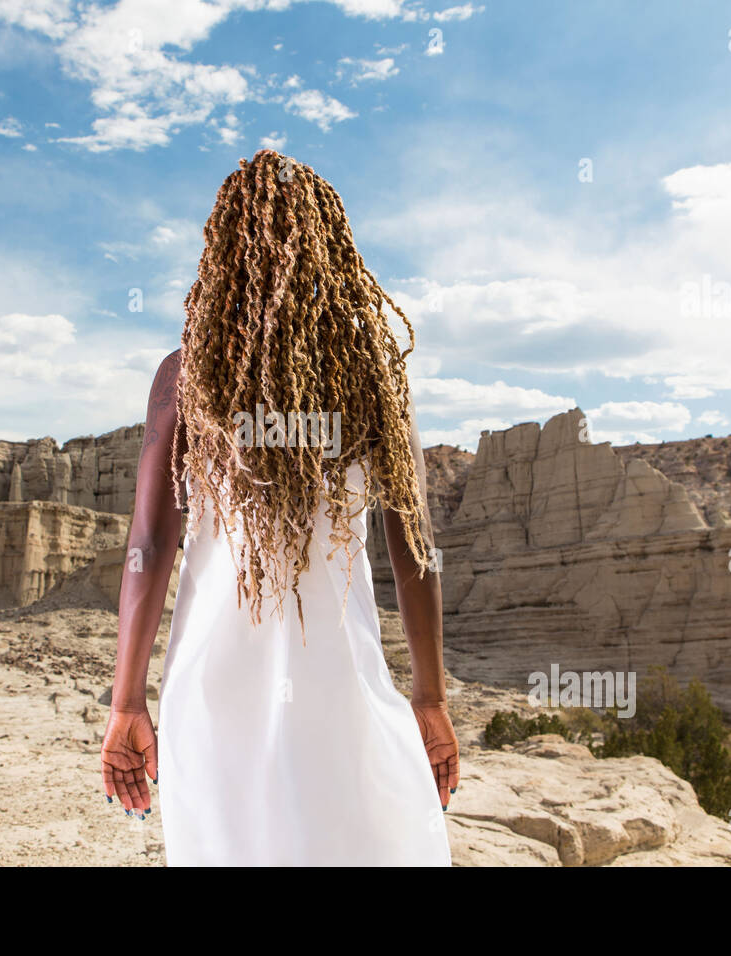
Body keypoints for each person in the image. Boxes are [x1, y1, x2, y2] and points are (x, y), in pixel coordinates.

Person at [101, 149, 456, 866]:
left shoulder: (185, 376)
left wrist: (125, 703)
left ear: (225, 247)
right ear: (329, 249)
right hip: (341, 695)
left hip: (210, 695)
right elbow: (413, 546)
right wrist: (428, 695)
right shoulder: (375, 381)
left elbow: (148, 546)